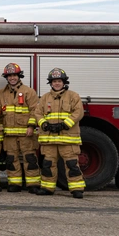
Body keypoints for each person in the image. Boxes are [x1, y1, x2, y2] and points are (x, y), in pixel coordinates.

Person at [33, 68, 86, 198]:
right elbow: (38, 113)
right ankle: (47, 188)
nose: (57, 83)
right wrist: (44, 124)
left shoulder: (73, 96)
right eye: (54, 81)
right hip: (49, 139)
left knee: (71, 164)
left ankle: (77, 189)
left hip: (67, 139)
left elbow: (78, 112)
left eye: (59, 81)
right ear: (51, 83)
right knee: (48, 164)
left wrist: (64, 124)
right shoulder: (45, 98)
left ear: (64, 82)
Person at [0, 63, 40, 193]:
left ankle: (33, 184)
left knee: (30, 159)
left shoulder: (29, 91)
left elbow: (35, 110)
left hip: (26, 133)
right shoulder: (2, 93)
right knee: (11, 159)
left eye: (14, 75)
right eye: (9, 76)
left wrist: (31, 126)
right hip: (9, 134)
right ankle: (14, 184)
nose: (12, 78)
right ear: (6, 77)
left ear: (19, 76)